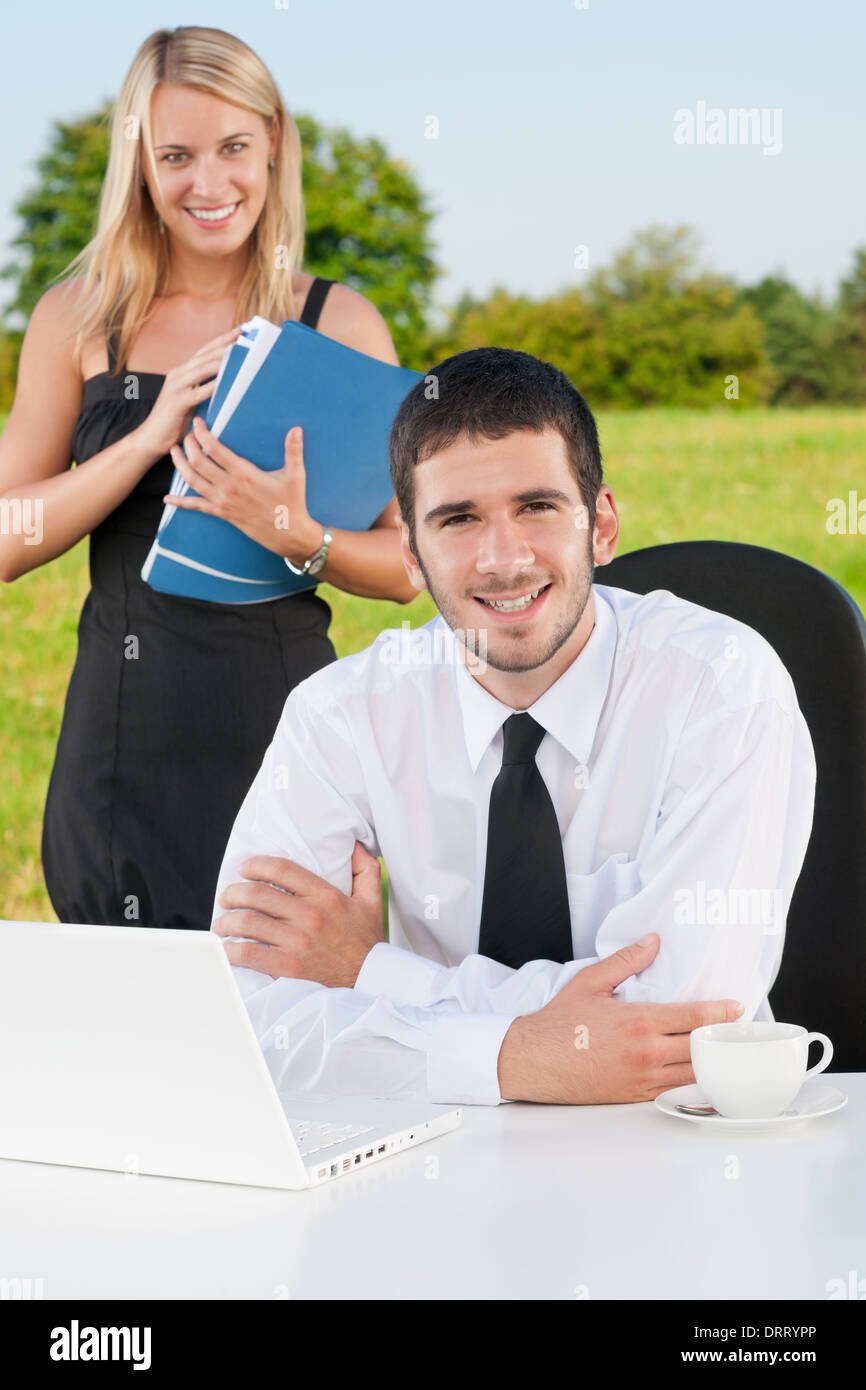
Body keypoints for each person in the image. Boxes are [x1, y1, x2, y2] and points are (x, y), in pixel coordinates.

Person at [209, 346, 816, 1107]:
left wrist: (375, 974)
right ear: (412, 556)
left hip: (669, 1144)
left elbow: (672, 1028)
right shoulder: (340, 716)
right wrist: (514, 1058)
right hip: (428, 1157)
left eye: (537, 506)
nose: (504, 558)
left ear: (601, 525)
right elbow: (247, 1020)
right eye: (458, 519)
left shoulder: (721, 687)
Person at [0, 26, 415, 931]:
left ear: (273, 143)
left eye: (233, 148)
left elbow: (409, 567)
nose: (209, 183)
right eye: (176, 155)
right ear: (139, 163)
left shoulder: (337, 323)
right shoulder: (77, 320)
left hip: (283, 740)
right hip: (118, 750)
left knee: (295, 1043)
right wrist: (144, 441)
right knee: (130, 1047)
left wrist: (298, 535)